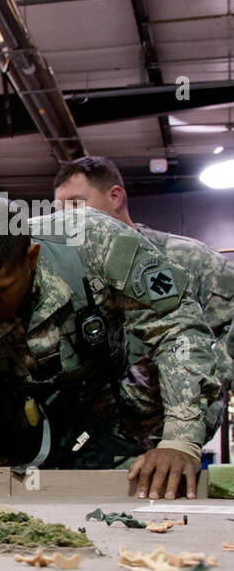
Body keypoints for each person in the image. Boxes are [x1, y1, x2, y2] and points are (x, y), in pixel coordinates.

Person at [0, 196, 221, 500]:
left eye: (0, 291)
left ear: (31, 258)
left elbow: (178, 327)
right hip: (9, 463)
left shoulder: (94, 243)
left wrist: (180, 441)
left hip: (112, 445)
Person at [54, 155, 234, 436]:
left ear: (115, 197)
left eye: (76, 204)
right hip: (98, 441)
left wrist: (208, 387)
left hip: (169, 436)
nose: (66, 218)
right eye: (59, 209)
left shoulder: (187, 258)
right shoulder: (72, 276)